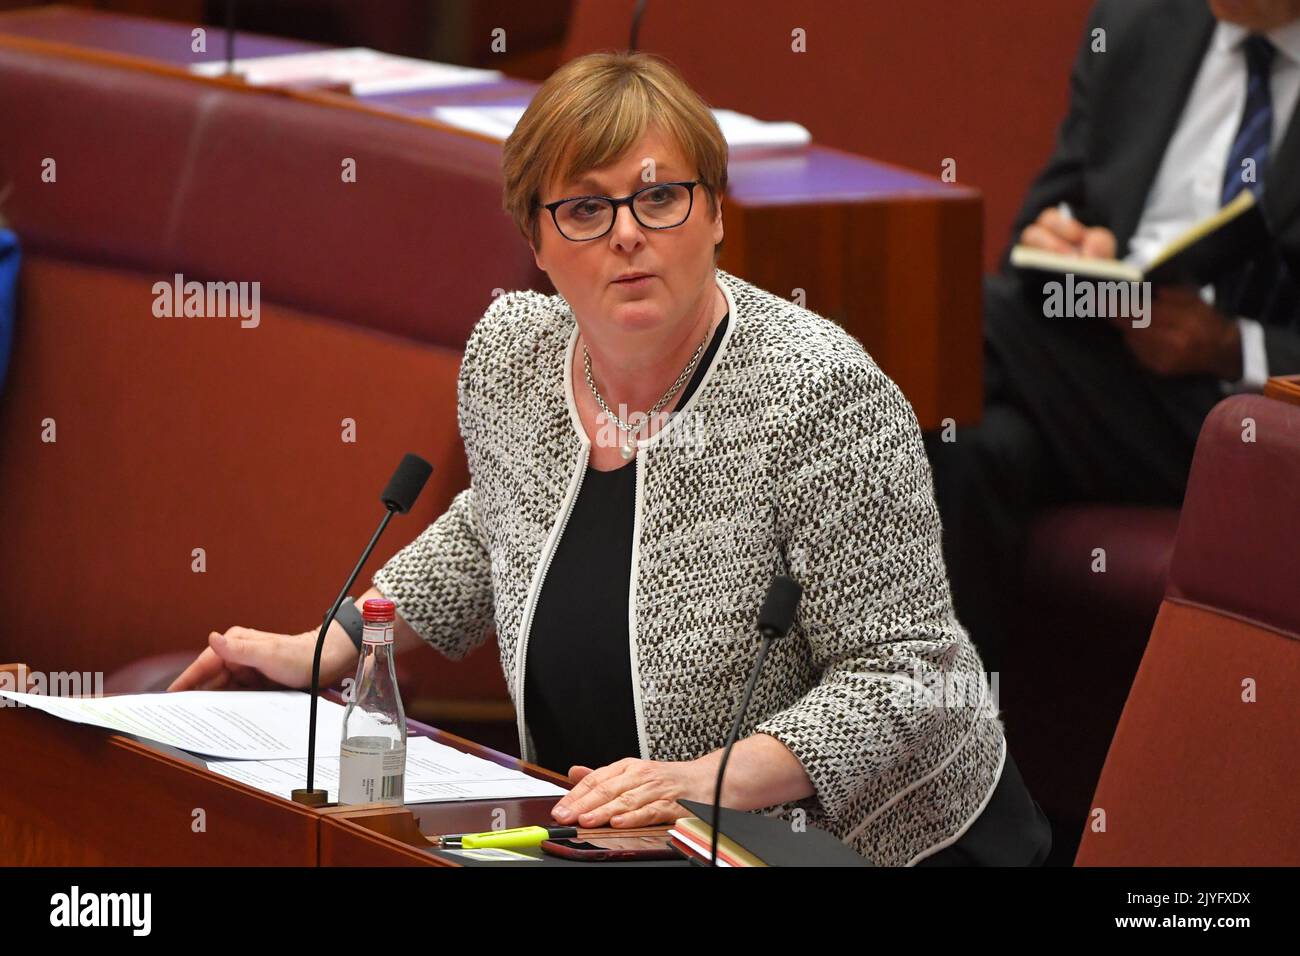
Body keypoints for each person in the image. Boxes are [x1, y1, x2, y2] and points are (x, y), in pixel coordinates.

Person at [170, 50, 1049, 866]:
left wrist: (702, 780)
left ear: (713, 216)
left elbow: (910, 678)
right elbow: (490, 529)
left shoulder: (819, 396)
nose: (627, 233)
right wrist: (336, 643)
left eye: (659, 197)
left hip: (860, 851)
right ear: (538, 245)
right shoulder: (514, 355)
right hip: (616, 839)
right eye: (586, 208)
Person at [926, 0, 1300, 670]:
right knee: (972, 446)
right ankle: (968, 748)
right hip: (1097, 371)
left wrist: (1229, 343)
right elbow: (1033, 246)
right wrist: (1067, 244)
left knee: (948, 321)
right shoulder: (1138, 25)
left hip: (1251, 420)